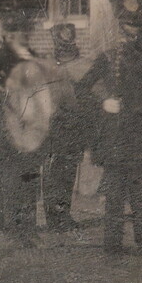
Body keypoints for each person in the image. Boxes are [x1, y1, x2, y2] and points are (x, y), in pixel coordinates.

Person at [77, 7, 142, 257]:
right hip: (117, 136)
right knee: (116, 193)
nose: (131, 34)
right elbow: (82, 88)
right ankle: (113, 245)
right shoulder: (110, 58)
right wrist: (103, 102)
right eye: (128, 27)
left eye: (137, 29)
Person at [0, 10, 46, 246]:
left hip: (30, 124)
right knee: (9, 176)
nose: (23, 36)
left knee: (29, 175)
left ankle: (28, 226)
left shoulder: (34, 57)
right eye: (18, 32)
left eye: (25, 32)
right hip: (8, 124)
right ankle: (10, 225)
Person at [42, 22, 92, 233]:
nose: (65, 46)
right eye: (61, 42)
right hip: (54, 125)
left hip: (75, 124)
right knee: (53, 172)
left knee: (69, 171)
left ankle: (64, 214)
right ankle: (53, 217)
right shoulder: (47, 64)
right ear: (55, 41)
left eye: (69, 41)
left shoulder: (82, 64)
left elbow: (88, 95)